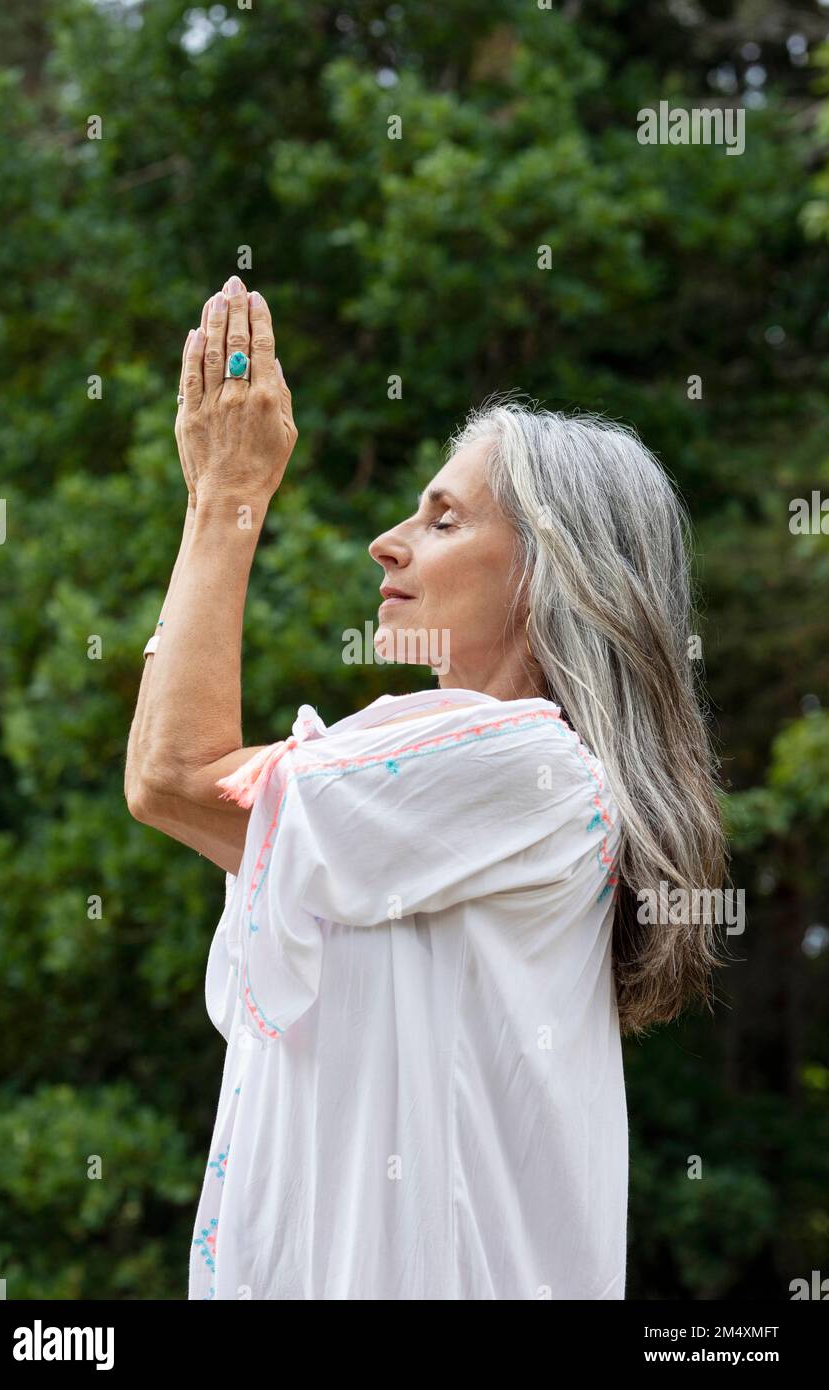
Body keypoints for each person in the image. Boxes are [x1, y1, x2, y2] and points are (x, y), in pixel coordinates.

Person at [124, 276, 728, 1300]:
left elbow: (175, 777)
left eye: (442, 520)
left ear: (551, 572)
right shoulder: (422, 781)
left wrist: (225, 496)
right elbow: (183, 775)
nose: (387, 543)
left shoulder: (531, 771)